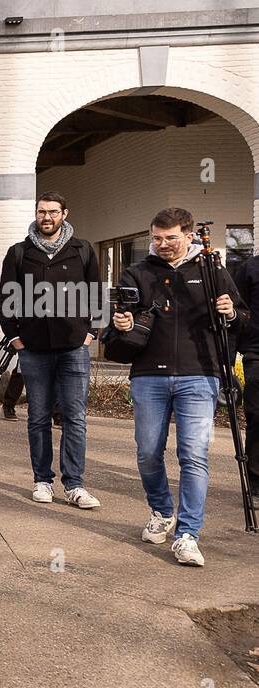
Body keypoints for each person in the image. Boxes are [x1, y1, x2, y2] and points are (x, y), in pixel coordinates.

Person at [111, 207, 249, 566]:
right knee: (147, 452)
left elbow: (243, 318)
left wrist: (230, 312)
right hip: (148, 376)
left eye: (171, 238)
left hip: (199, 375)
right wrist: (123, 323)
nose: (163, 244)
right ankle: (160, 510)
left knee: (194, 455)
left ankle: (188, 534)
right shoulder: (137, 272)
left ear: (189, 235)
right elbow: (116, 328)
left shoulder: (211, 271)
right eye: (156, 238)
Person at [0, 191, 102, 509]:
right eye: (41, 211)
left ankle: (74, 485)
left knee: (75, 418)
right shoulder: (19, 253)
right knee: (39, 418)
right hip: (34, 350)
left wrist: (91, 333)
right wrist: (15, 338)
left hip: (74, 349)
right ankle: (42, 480)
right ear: (36, 214)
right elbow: (6, 299)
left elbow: (96, 294)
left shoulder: (82, 251)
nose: (47, 217)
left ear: (64, 214)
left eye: (53, 212)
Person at [234, 251, 259, 504]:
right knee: (258, 417)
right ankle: (255, 483)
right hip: (257, 353)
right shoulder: (250, 268)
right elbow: (236, 316)